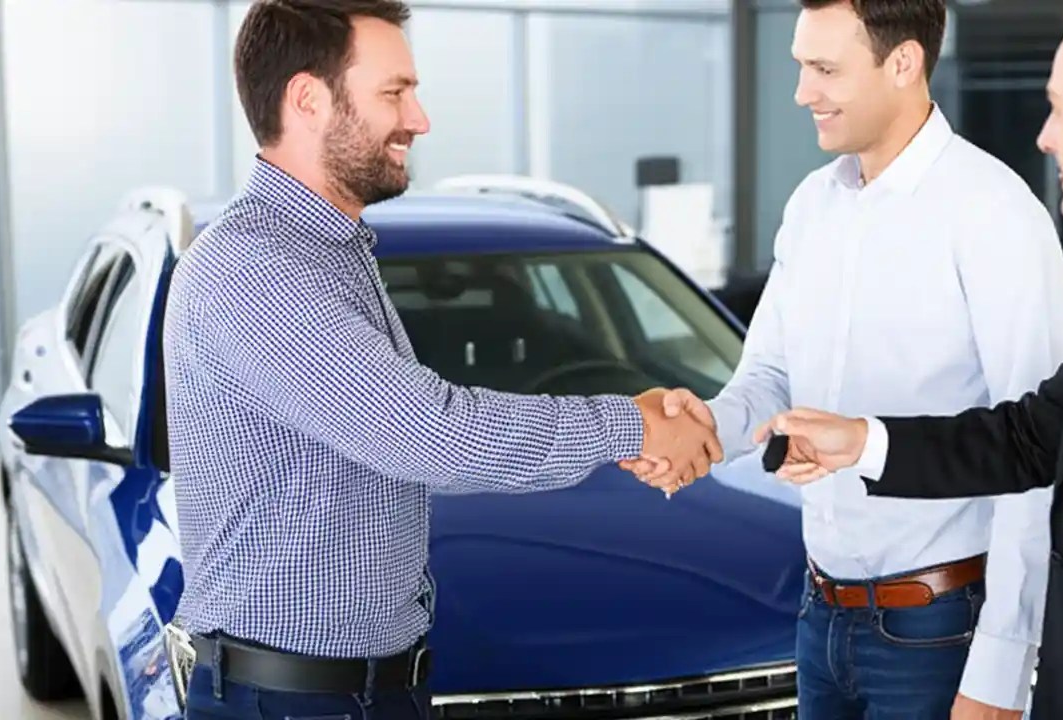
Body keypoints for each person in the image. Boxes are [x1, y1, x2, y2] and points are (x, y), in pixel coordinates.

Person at [161, 1, 720, 718]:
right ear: (307, 99)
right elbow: (430, 432)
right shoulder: (256, 267)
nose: (419, 120)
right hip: (294, 700)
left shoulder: (334, 251)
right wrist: (633, 426)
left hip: (367, 687)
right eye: (394, 92)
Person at [763, 2, 1063, 718]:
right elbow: (1033, 436)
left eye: (1060, 109)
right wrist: (862, 440)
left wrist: (1001, 664)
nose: (1045, 136)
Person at [623, 1, 1063, 717]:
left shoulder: (995, 213)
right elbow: (769, 376)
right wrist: (702, 428)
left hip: (940, 628)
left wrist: (1001, 667)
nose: (803, 92)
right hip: (818, 612)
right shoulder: (812, 205)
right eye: (802, 66)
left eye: (825, 69)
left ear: (903, 64)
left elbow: (1038, 451)